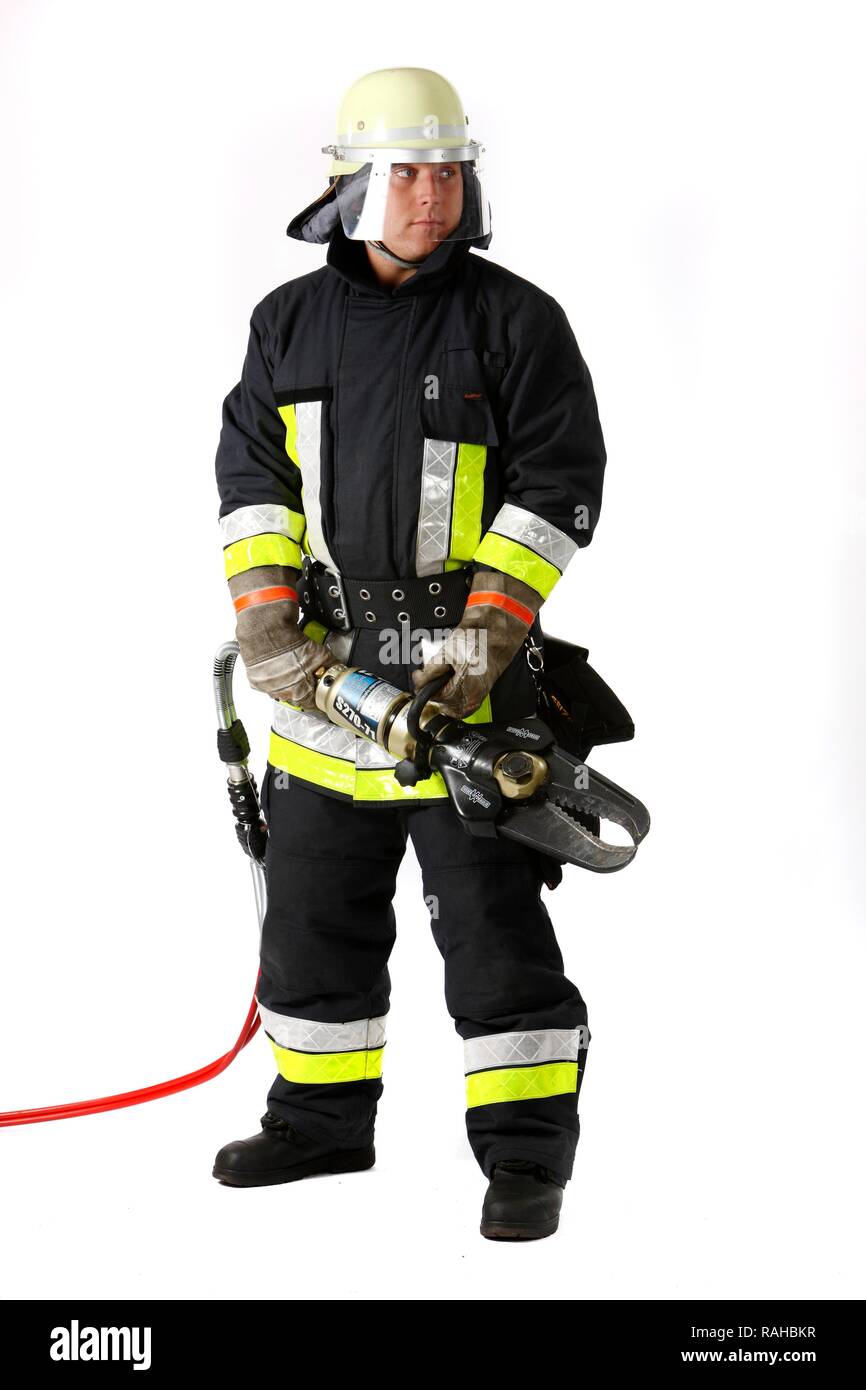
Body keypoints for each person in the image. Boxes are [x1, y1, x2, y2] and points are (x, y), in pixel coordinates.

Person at [212, 67, 607, 1241]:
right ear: (350, 187)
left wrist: (490, 629)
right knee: (310, 923)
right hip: (322, 693)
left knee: (492, 937)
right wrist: (266, 619)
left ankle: (525, 1159)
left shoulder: (514, 320)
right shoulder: (285, 324)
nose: (432, 194)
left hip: (462, 696)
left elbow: (558, 480)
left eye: (448, 172)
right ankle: (318, 1122)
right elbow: (252, 480)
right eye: (407, 173)